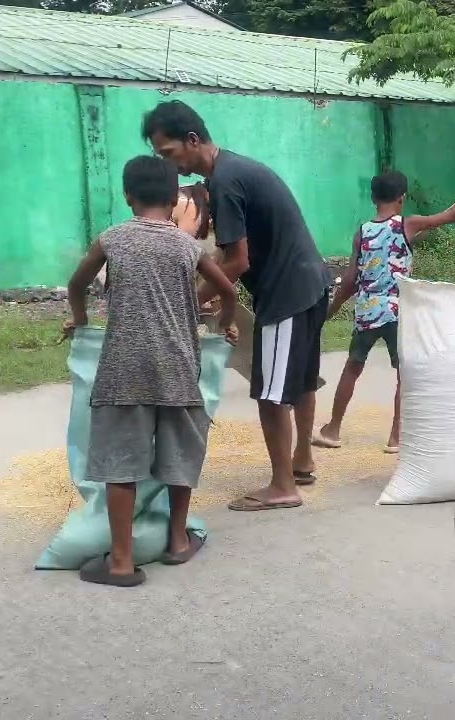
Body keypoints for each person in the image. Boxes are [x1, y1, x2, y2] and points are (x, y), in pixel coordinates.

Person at [142, 100, 333, 512]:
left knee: (268, 393)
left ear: (193, 140)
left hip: (287, 293)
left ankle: (283, 485)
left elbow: (236, 262)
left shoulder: (226, 181)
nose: (169, 165)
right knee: (298, 381)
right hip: (310, 282)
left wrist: (188, 300)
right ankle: (301, 461)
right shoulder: (233, 170)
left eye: (170, 154)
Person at [62, 156, 239, 587]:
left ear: (128, 195)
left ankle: (121, 562)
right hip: (179, 367)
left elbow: (76, 283)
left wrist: (80, 317)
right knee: (180, 454)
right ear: (175, 199)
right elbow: (228, 288)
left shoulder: (112, 239)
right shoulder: (186, 246)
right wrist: (226, 320)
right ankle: (178, 541)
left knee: (121, 464)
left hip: (124, 370)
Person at [313, 169, 455, 451]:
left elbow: (351, 280)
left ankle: (333, 430)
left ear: (373, 198)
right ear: (401, 198)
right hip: (396, 310)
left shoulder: (362, 233)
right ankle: (396, 437)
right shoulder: (407, 224)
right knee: (404, 374)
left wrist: (330, 311)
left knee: (352, 368)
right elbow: (451, 216)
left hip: (367, 310)